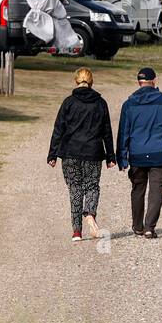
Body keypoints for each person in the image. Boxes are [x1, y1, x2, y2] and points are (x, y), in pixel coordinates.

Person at [116, 66, 162, 239]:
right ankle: (149, 227)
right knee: (157, 192)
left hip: (137, 155)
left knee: (138, 190)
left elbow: (123, 132)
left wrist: (122, 158)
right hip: (160, 154)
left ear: (139, 82)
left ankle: (137, 226)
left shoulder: (129, 104)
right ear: (155, 80)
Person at [47, 67, 116, 242]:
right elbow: (106, 131)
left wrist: (52, 154)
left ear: (75, 81)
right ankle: (90, 213)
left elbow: (59, 129)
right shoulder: (100, 103)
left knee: (75, 189)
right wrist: (111, 156)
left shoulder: (68, 103)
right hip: (93, 152)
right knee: (92, 186)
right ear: (91, 83)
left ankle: (77, 231)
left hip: (70, 153)